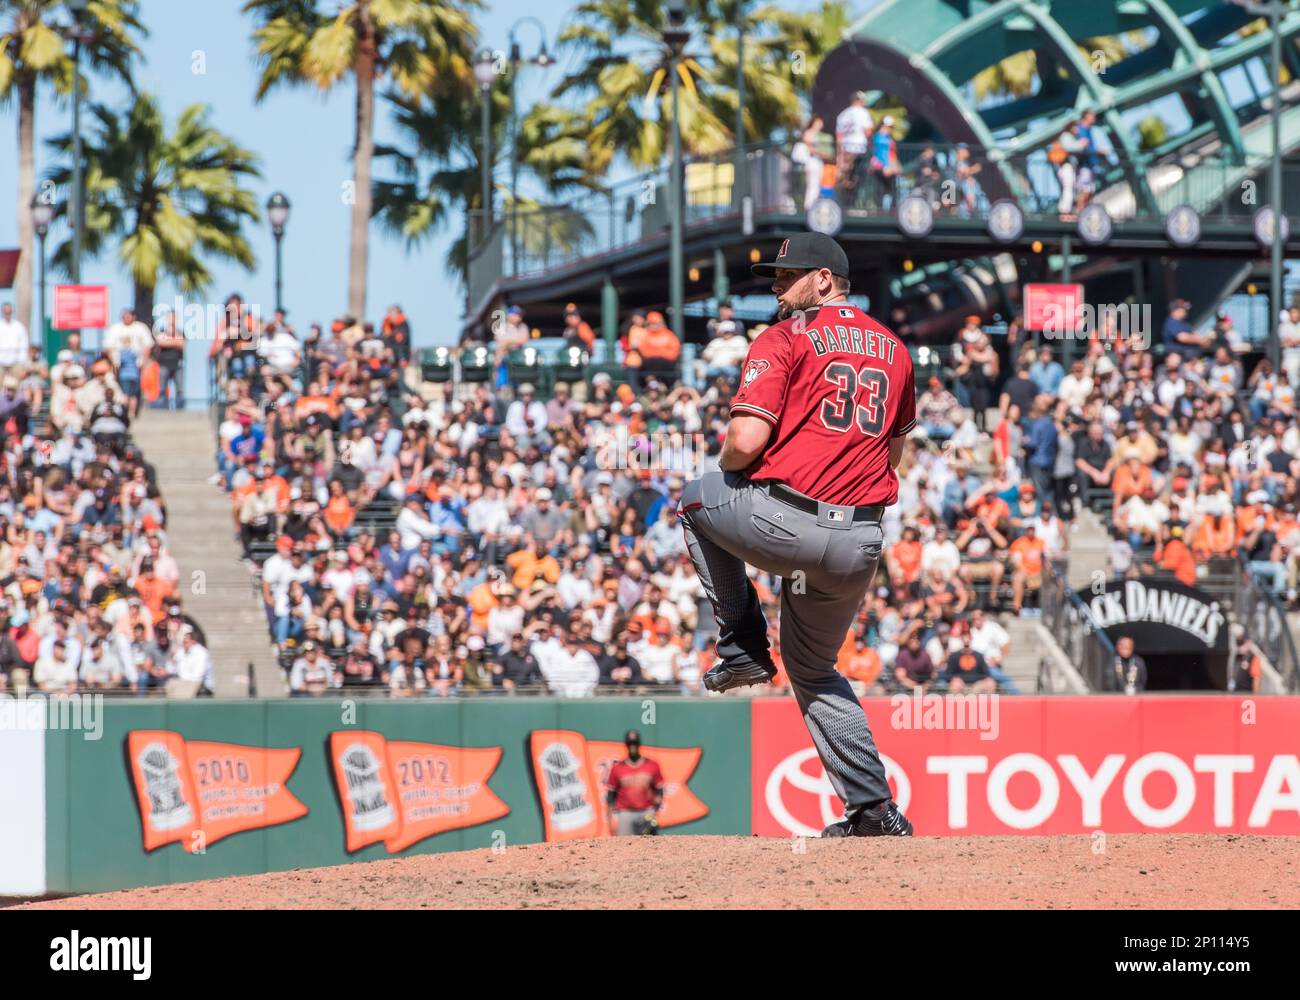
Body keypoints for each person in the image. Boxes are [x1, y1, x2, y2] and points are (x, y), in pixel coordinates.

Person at [678, 232, 914, 837]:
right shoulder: (894, 349)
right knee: (813, 669)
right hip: (859, 541)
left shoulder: (784, 337)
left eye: (790, 276)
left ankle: (741, 648)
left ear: (826, 280)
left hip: (787, 522)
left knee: (698, 494)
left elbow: (745, 444)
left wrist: (744, 474)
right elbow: (893, 452)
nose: (779, 288)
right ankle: (872, 813)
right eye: (777, 278)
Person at [605, 729, 664, 836]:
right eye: (630, 743)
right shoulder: (617, 768)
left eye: (635, 743)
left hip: (646, 812)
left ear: (639, 744)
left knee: (652, 848)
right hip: (626, 813)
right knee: (625, 848)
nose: (632, 746)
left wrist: (654, 809)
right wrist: (610, 822)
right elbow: (610, 797)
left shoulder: (652, 765)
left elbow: (659, 789)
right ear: (626, 745)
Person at [834, 92, 873, 206]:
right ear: (860, 101)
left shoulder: (843, 114)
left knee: (846, 180)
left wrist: (840, 156)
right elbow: (868, 132)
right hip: (860, 150)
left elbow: (839, 137)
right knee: (859, 180)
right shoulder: (863, 113)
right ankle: (855, 205)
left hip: (846, 150)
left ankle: (846, 205)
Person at [792, 115, 826, 210]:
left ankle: (813, 205)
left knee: (816, 186)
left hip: (818, 162)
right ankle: (809, 207)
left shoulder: (819, 135)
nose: (821, 125)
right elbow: (809, 148)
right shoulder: (809, 133)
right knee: (812, 185)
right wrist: (821, 153)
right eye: (819, 122)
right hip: (812, 162)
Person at [0, 301, 31, 385]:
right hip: (1, 361)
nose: (7, 313)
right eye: (5, 312)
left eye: (9, 312)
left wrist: (22, 361)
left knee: (16, 385)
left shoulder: (19, 326)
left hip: (16, 361)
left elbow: (24, 345)